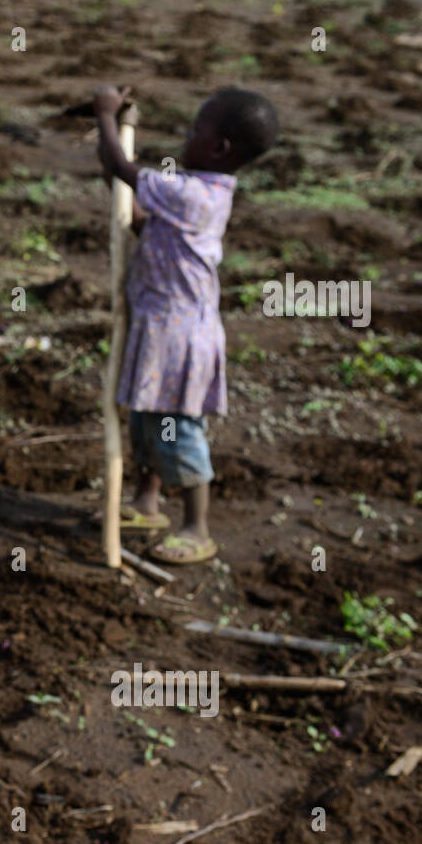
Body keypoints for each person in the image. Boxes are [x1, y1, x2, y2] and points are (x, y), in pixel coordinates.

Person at [93, 84, 279, 564]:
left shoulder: (196, 196)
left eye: (197, 129)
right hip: (158, 328)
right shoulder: (187, 196)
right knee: (145, 419)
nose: (187, 135)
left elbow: (125, 168)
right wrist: (112, 161)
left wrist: (106, 116)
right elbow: (142, 221)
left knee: (176, 429)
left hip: (180, 338)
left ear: (219, 147)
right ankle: (145, 502)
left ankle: (197, 527)